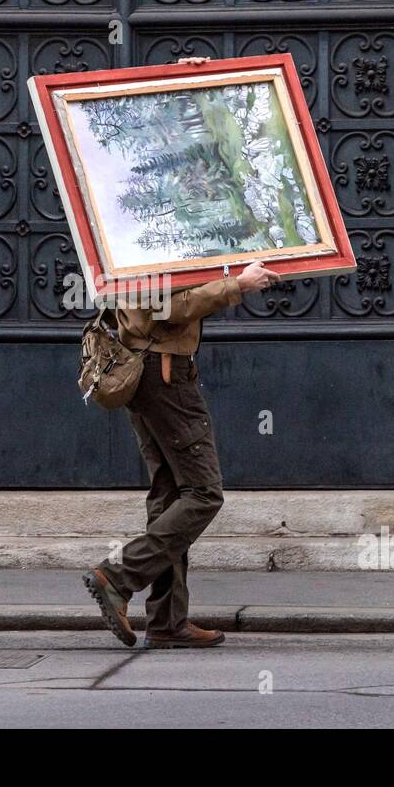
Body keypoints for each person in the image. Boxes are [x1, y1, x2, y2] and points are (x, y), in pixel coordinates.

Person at [82, 258, 280, 647]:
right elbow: (166, 306)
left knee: (170, 495)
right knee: (204, 493)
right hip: (163, 374)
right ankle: (118, 576)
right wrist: (237, 285)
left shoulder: (136, 228)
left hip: (147, 370)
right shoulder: (147, 236)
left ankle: (167, 622)